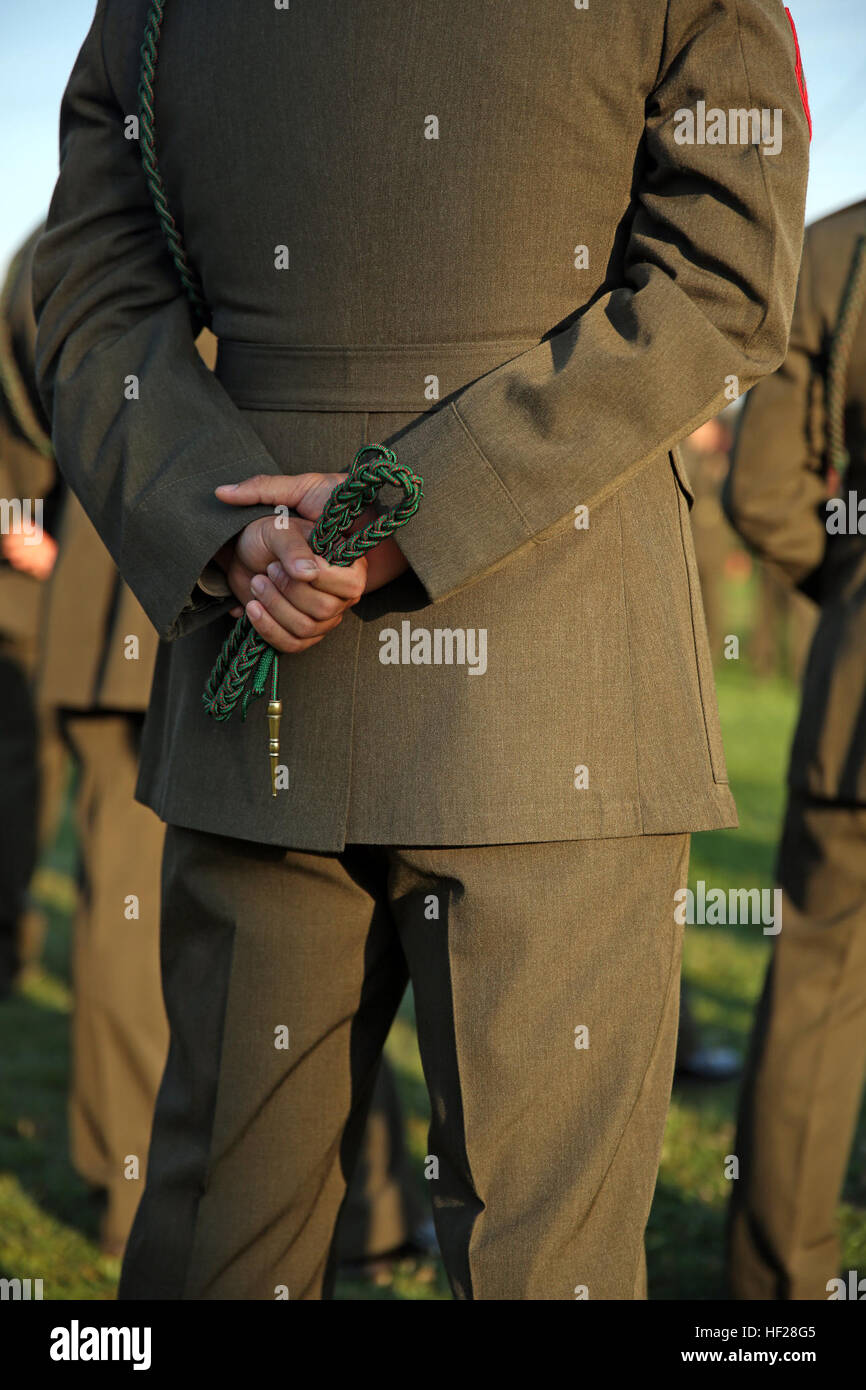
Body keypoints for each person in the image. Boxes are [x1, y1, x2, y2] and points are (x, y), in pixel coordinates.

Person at [35, 0, 809, 1300]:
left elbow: (92, 299)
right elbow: (718, 285)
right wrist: (396, 514)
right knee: (543, 1261)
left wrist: (232, 527)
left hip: (265, 671)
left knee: (222, 1240)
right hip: (557, 686)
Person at [725, 198, 866, 1300]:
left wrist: (851, 592)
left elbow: (765, 491)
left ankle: (780, 1300)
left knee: (817, 994)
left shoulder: (828, 247)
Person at [0, 227, 65, 998]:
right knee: (17, 783)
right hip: (25, 593)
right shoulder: (49, 258)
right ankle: (7, 949)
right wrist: (19, 521)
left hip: (81, 584)